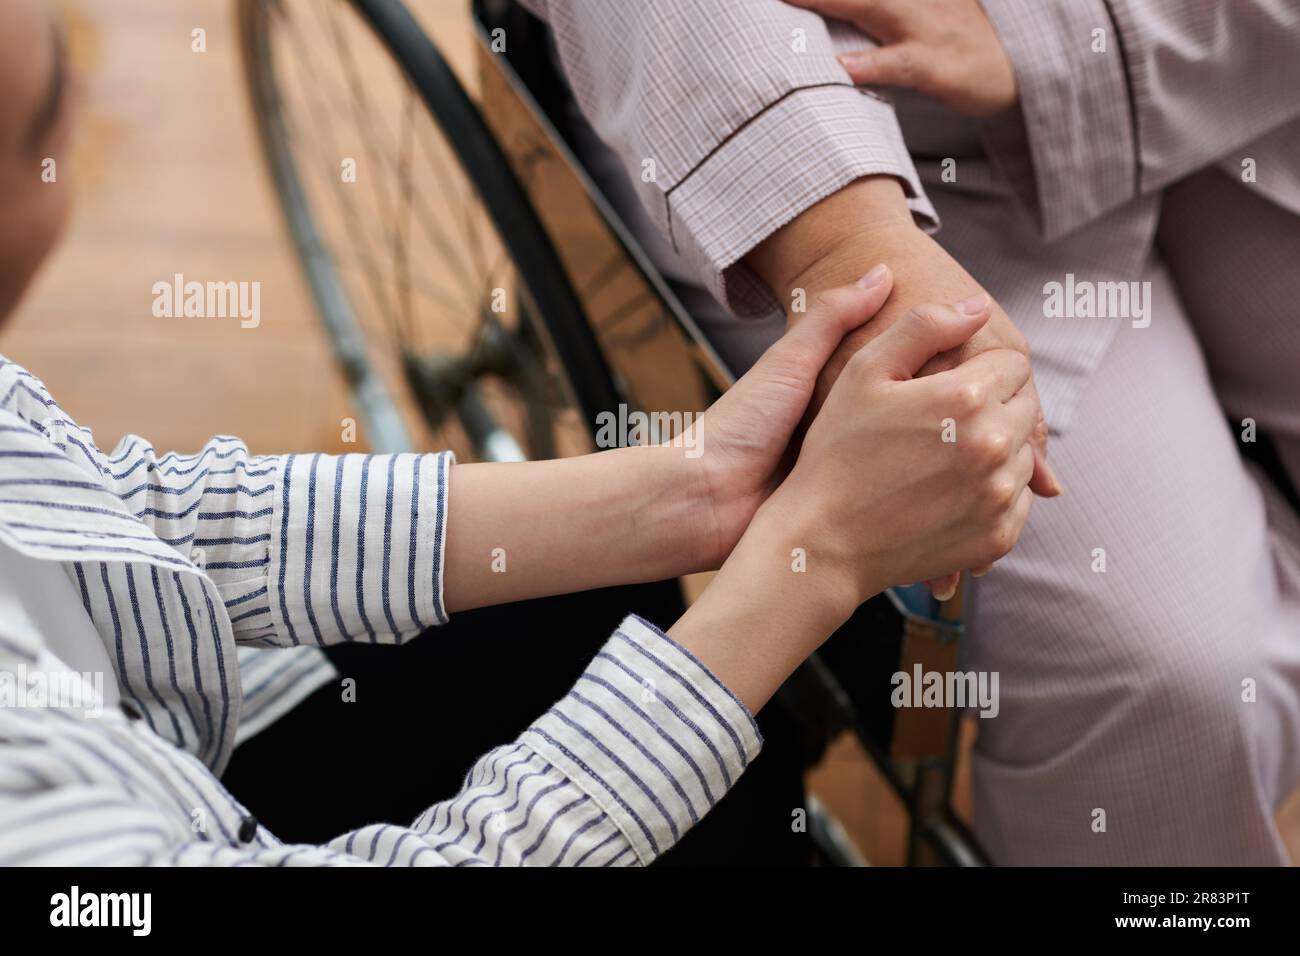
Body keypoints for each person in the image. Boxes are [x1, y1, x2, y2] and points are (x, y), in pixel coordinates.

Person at [0, 0, 1038, 865]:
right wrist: (820, 560)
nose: (83, 84)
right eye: (49, 115)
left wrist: (698, 485)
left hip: (163, 736)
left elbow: (119, 512)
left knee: (609, 603)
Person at [524, 0, 1300, 864]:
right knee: (1176, 681)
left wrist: (1071, 38)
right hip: (852, 138)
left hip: (1240, 76)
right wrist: (842, 242)